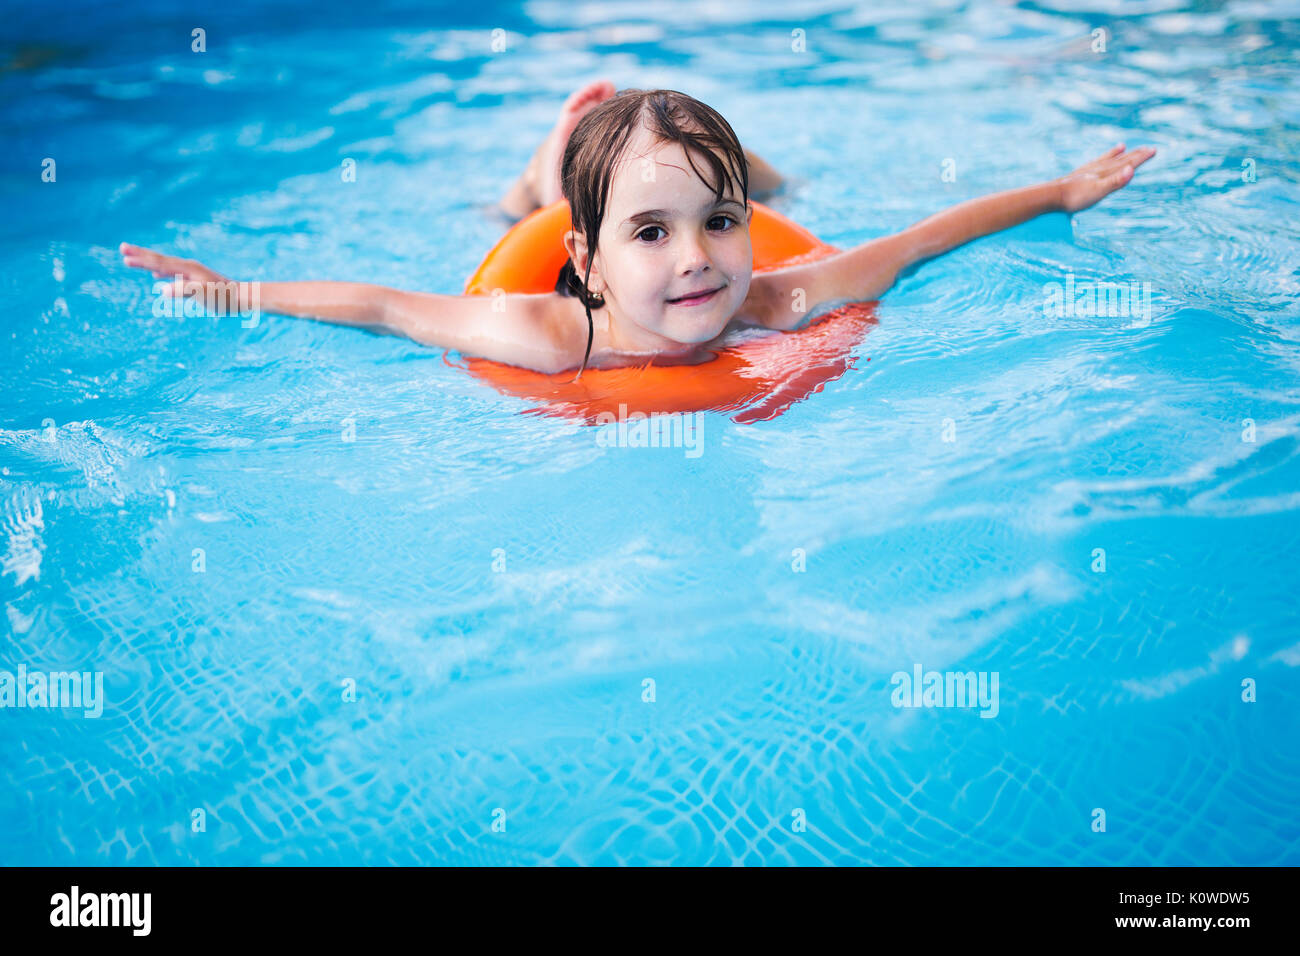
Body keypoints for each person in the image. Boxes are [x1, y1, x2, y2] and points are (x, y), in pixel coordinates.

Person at [119, 82, 1155, 379]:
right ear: (592, 264)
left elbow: (926, 238)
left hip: (593, 222)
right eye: (652, 234)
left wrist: (1056, 193)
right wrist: (235, 290)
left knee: (710, 170)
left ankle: (690, 161)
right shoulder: (552, 333)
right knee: (516, 212)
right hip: (548, 234)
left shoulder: (780, 296)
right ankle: (539, 173)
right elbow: (387, 306)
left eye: (718, 221)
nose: (699, 257)